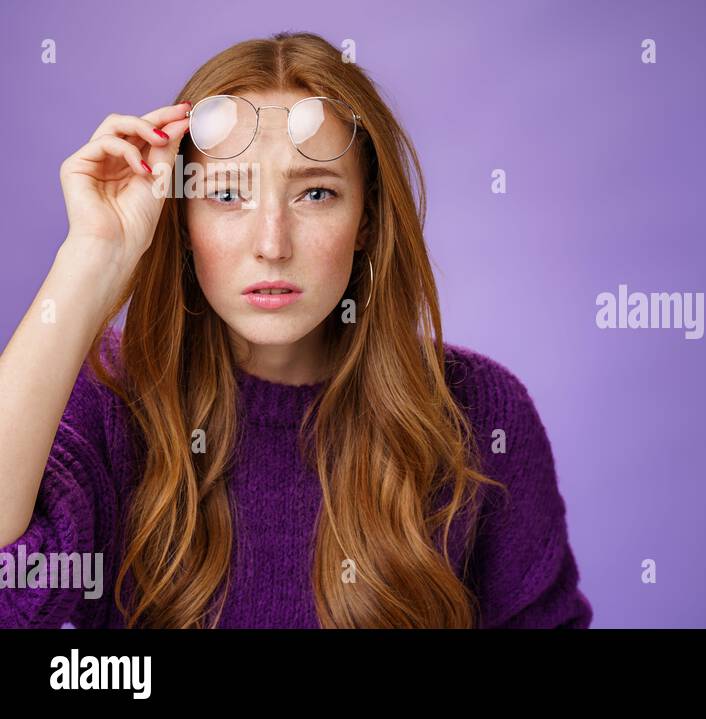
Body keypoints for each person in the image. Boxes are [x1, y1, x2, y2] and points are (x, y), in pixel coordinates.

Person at [0, 31, 592, 629]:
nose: (272, 245)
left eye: (315, 192)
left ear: (367, 219)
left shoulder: (481, 413)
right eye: (227, 194)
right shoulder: (111, 402)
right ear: (180, 218)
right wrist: (91, 255)